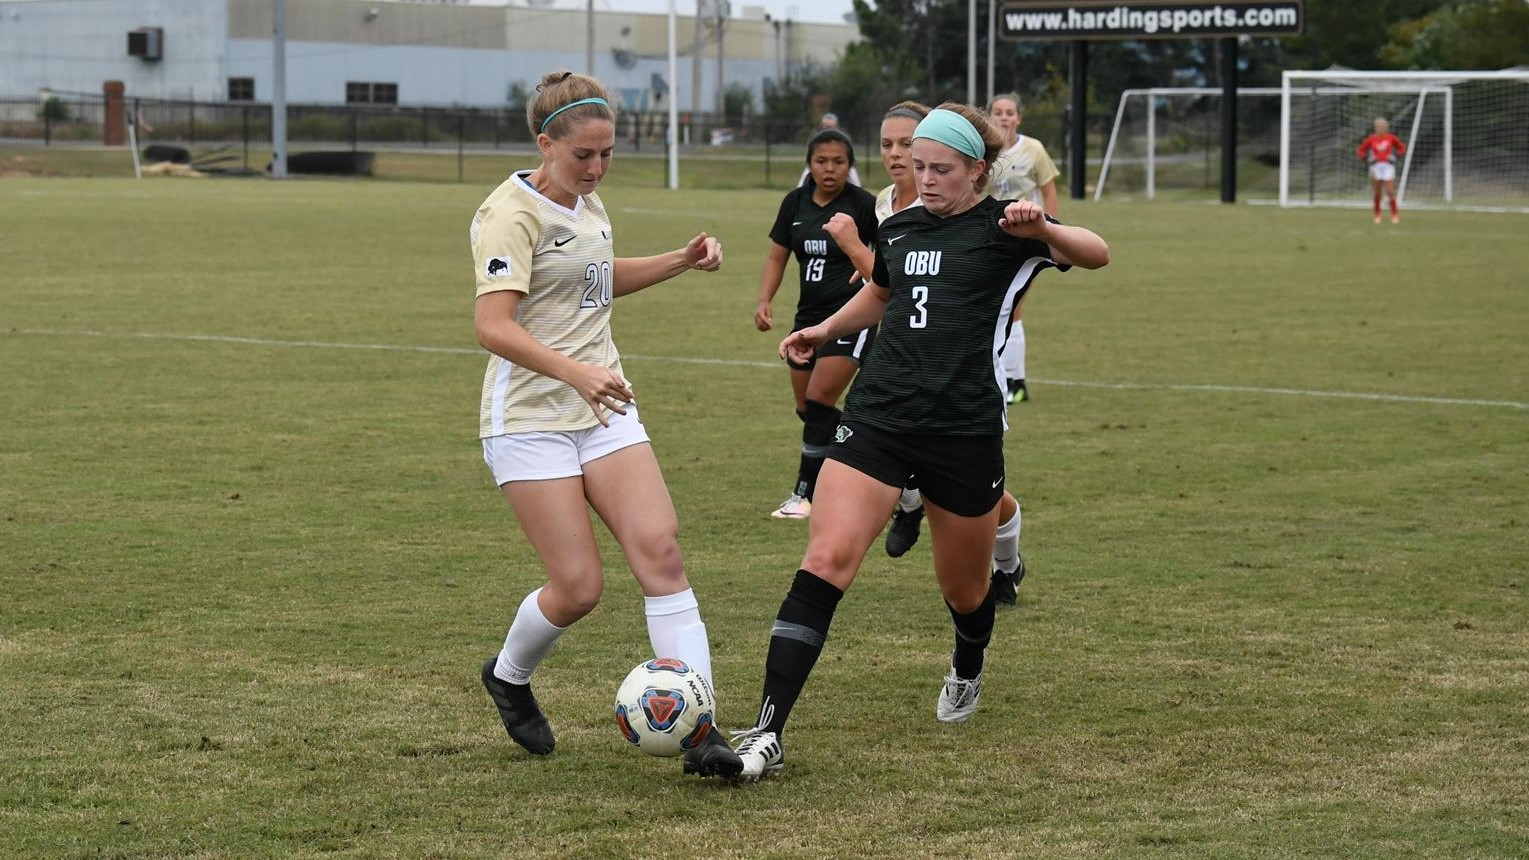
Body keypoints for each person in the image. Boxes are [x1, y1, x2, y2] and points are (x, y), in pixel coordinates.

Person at [730, 103, 1110, 779]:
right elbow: (881, 293)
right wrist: (822, 332)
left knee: (964, 591)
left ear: (977, 171)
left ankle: (968, 661)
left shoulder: (1005, 226)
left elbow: (1096, 253)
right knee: (826, 558)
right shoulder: (898, 226)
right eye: (916, 166)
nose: (925, 179)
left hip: (962, 431)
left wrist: (1043, 223)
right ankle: (766, 730)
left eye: (941, 169)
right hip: (877, 415)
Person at [471, 70, 741, 777]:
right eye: (582, 156)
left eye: (606, 155)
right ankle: (508, 675)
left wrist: (680, 260)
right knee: (579, 588)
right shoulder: (510, 214)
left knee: (661, 553)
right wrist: (576, 371)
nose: (596, 169)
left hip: (602, 409)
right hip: (530, 419)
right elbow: (492, 326)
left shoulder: (590, 205)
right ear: (544, 144)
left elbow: (596, 275)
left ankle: (701, 727)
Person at [828, 101, 1027, 606]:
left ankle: (1005, 562)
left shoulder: (976, 213)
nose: (896, 156)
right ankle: (908, 496)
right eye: (889, 146)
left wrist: (855, 248)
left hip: (962, 375)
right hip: (900, 364)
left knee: (982, 500)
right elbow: (888, 281)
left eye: (906, 144)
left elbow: (913, 275)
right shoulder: (885, 206)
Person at [756, 129, 880, 519]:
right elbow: (777, 257)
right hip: (807, 320)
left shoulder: (864, 206)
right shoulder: (794, 204)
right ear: (809, 164)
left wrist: (866, 266)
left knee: (819, 400)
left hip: (851, 319)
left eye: (838, 162)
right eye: (821, 161)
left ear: (850, 166)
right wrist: (764, 300)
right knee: (809, 411)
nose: (829, 169)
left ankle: (804, 496)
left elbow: (885, 257)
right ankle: (882, 456)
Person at [988, 92, 1060, 406]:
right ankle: (1004, 376)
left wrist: (1053, 230)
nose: (1004, 118)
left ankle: (1016, 381)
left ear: (1019, 118)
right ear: (989, 117)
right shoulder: (984, 151)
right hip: (993, 237)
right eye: (998, 112)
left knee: (1013, 307)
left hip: (1026, 239)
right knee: (998, 307)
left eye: (1009, 113)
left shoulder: (1033, 149)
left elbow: (1048, 190)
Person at [1357, 117, 1405, 224]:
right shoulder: (1371, 139)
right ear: (1375, 128)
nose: (1381, 129)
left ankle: (1395, 215)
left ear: (1386, 127)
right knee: (1377, 193)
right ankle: (1377, 216)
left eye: (1383, 127)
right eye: (1378, 127)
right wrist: (1366, 159)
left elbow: (1401, 148)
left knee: (1390, 191)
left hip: (1388, 166)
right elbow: (1360, 150)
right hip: (1375, 167)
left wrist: (1396, 156)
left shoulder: (1391, 138)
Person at [799, 113, 863, 187]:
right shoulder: (814, 137)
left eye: (831, 126)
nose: (828, 129)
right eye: (825, 126)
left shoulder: (844, 138)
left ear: (837, 126)